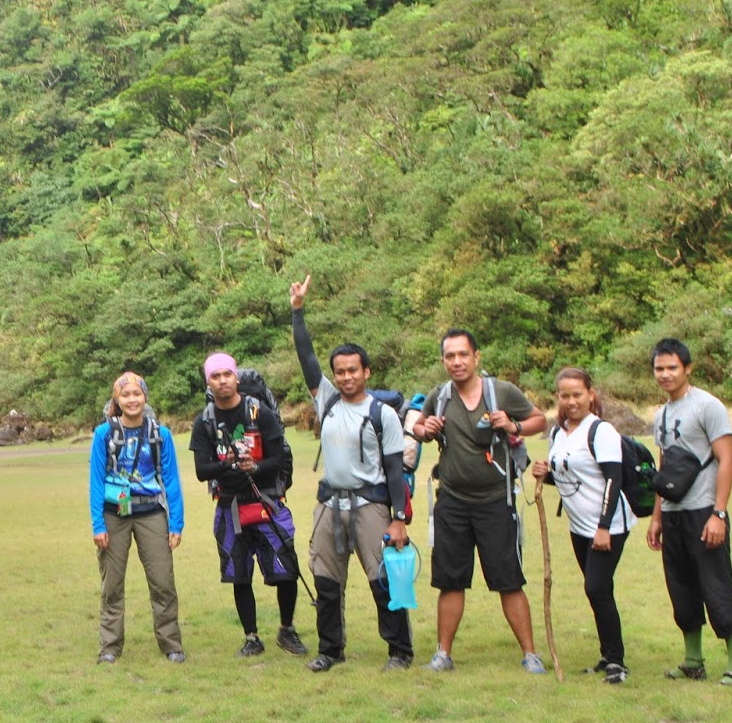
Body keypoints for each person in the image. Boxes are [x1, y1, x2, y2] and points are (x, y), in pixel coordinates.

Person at [290, 275, 414, 673]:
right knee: (326, 580)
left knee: (383, 581)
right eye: (339, 371)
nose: (345, 377)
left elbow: (395, 471)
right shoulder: (326, 400)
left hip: (372, 504)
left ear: (366, 372)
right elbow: (306, 358)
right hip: (330, 503)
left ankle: (399, 651)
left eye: (352, 371)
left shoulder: (384, 414)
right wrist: (298, 313)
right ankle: (330, 650)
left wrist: (398, 520)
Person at [411, 329, 548, 673]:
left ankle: (530, 654)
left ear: (476, 357)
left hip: (495, 501)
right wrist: (425, 429)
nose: (457, 362)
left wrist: (513, 425)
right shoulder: (439, 396)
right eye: (450, 356)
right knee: (450, 580)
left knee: (509, 579)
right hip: (452, 502)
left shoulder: (500, 392)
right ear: (443, 361)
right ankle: (443, 655)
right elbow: (418, 429)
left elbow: (540, 420)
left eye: (463, 355)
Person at [189, 352, 308, 659]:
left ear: (236, 378)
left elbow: (278, 457)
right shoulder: (204, 422)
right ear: (208, 382)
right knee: (239, 575)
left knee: (286, 569)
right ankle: (251, 637)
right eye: (215, 376)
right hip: (230, 508)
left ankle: (287, 629)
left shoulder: (259, 412)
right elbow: (202, 471)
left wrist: (254, 468)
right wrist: (225, 464)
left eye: (227, 374)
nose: (222, 380)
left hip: (267, 501)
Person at [645, 338, 732, 687]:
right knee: (681, 587)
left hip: (703, 510)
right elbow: (665, 468)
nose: (665, 374)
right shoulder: (661, 414)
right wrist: (657, 517)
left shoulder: (708, 407)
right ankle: (692, 660)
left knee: (716, 585)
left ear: (688, 368)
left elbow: (727, 459)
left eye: (672, 367)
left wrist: (718, 513)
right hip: (673, 513)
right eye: (659, 368)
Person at [529, 367, 635, 684]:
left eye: (578, 394)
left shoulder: (600, 432)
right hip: (579, 527)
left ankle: (617, 663)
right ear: (557, 398)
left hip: (609, 525)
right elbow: (565, 476)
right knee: (598, 591)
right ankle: (607, 655)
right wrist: (543, 474)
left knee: (597, 587)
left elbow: (613, 480)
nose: (572, 401)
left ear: (591, 394)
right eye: (565, 395)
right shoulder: (557, 434)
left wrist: (603, 527)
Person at [90, 372, 186, 664]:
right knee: (112, 585)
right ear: (116, 399)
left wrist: (176, 523)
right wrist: (98, 523)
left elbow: (171, 480)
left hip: (151, 513)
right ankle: (109, 646)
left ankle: (171, 644)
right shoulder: (104, 434)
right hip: (114, 514)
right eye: (126, 394)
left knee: (162, 581)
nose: (132, 400)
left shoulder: (161, 434)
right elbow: (96, 479)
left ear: (145, 397)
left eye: (137, 394)